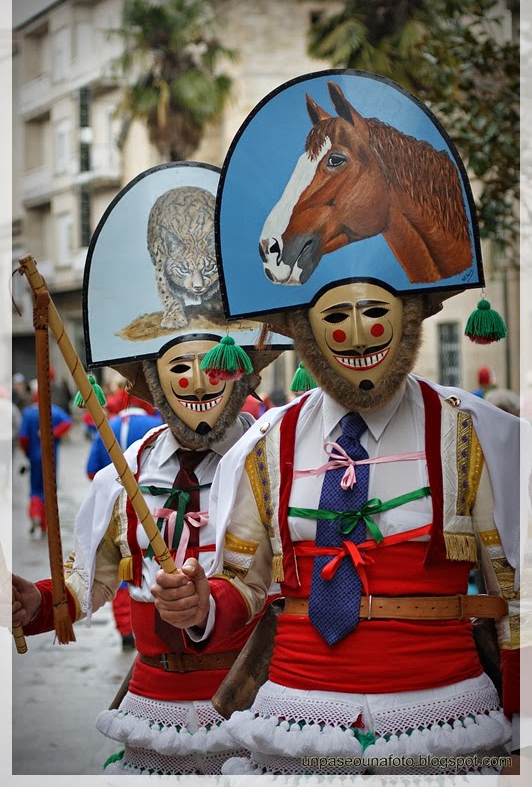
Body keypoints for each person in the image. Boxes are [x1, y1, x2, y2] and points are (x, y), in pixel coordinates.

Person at [151, 72, 524, 776]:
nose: (355, 335)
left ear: (411, 318)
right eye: (334, 321)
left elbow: (520, 602)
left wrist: (525, 738)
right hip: (294, 721)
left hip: (446, 724)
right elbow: (243, 590)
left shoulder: (485, 436)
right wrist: (198, 604)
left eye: (375, 313)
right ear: (305, 334)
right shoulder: (263, 449)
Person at [12, 163, 288, 776]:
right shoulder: (125, 471)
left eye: (211, 365)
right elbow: (92, 581)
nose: (195, 382)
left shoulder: (278, 459)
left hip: (255, 705)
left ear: (241, 370)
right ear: (152, 382)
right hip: (153, 707)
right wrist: (37, 601)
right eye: (177, 368)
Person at [86, 392, 163, 651]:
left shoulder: (109, 427)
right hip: (152, 508)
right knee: (152, 562)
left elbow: (91, 470)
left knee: (118, 566)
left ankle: (124, 626)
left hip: (114, 506)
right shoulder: (154, 426)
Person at [18, 389, 72, 536]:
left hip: (35, 456)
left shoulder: (28, 414)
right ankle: (45, 523)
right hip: (52, 457)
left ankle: (36, 514)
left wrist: (27, 452)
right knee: (49, 488)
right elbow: (68, 422)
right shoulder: (54, 411)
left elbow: (23, 437)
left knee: (35, 488)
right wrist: (53, 433)